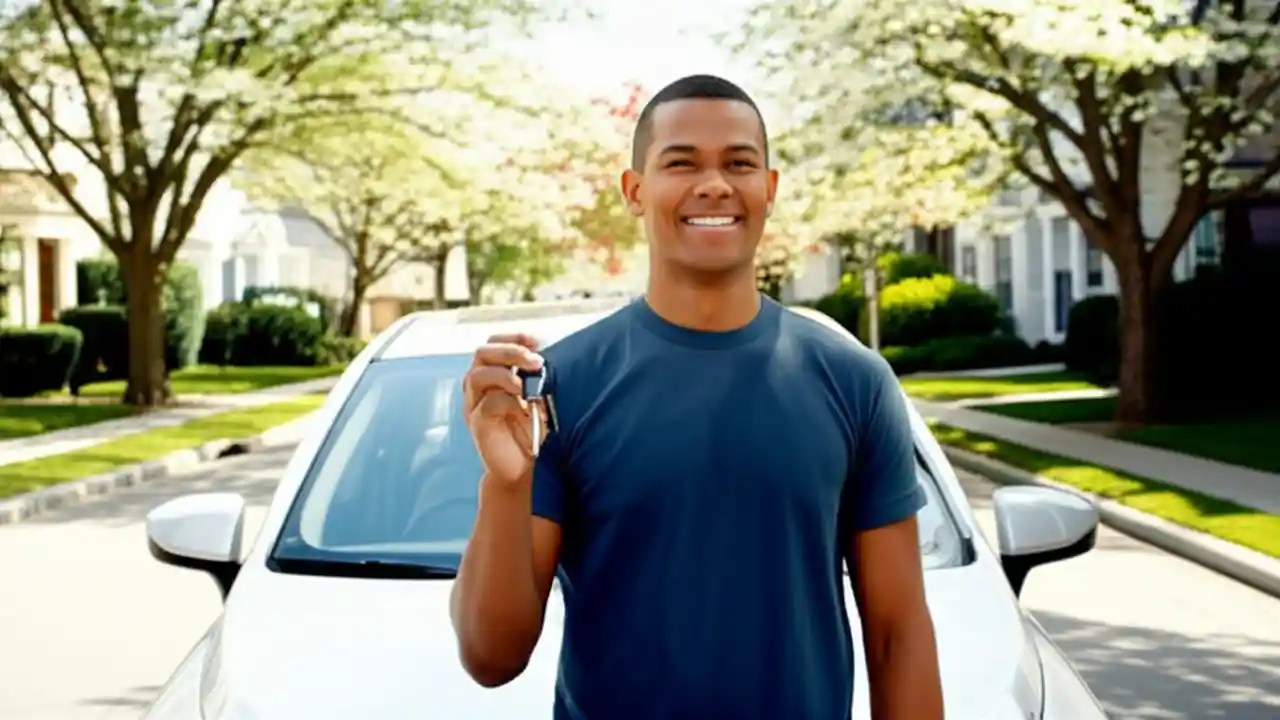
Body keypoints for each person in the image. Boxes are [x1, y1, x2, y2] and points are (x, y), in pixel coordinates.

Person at [450, 74, 944, 720]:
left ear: (769, 188)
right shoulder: (557, 387)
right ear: (635, 190)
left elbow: (897, 634)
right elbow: (491, 657)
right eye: (681, 163)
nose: (714, 184)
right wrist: (506, 485)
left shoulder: (853, 381)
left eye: (739, 164)